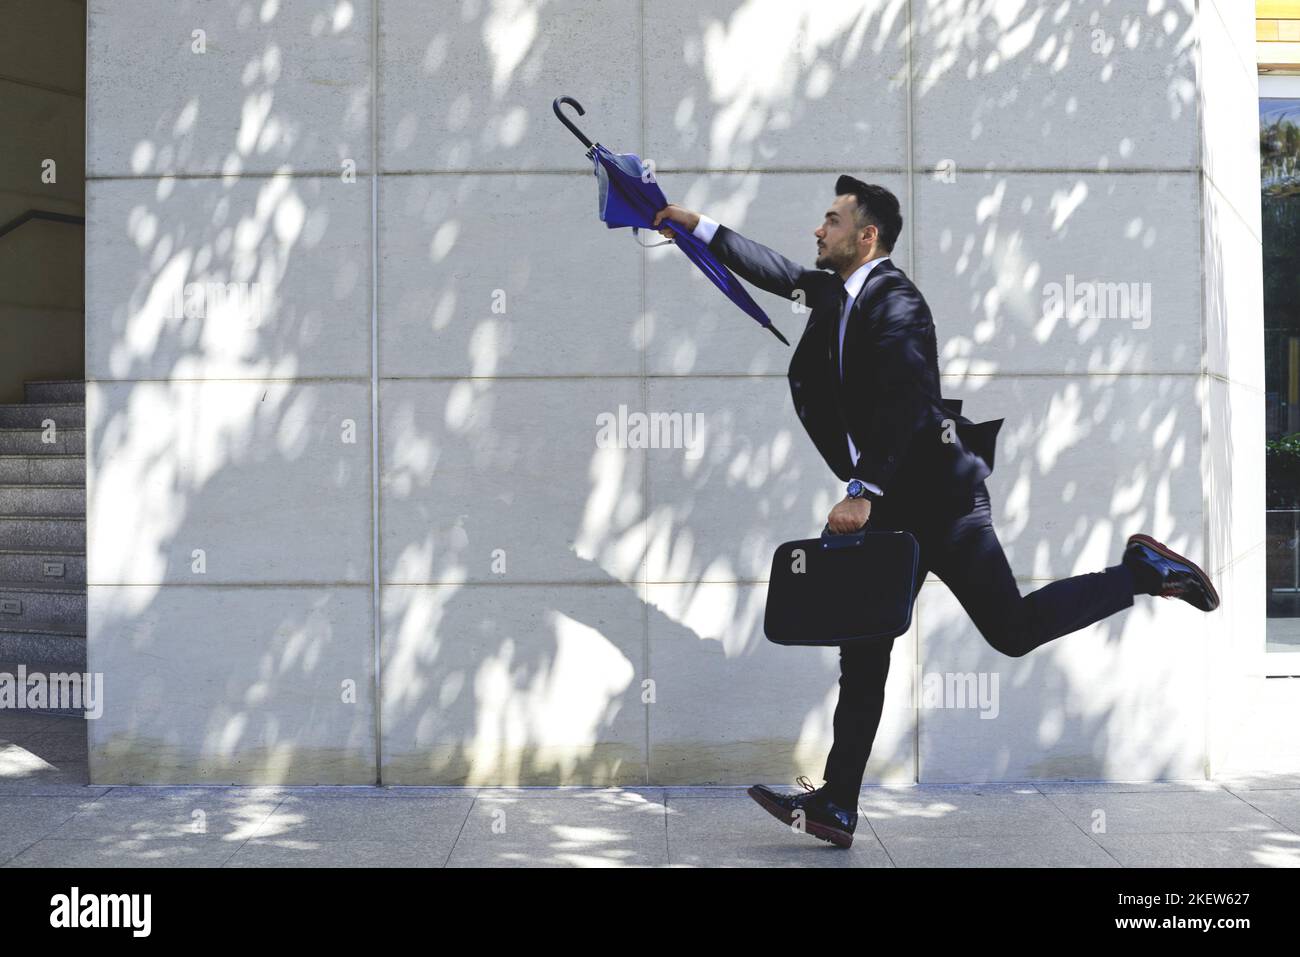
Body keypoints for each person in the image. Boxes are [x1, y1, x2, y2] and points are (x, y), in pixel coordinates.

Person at [651, 178, 1220, 849]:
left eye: (832, 221)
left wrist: (862, 487)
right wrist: (697, 227)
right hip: (893, 503)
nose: (818, 230)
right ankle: (837, 801)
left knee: (1011, 628)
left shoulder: (899, 303)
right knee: (862, 653)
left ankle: (1141, 571)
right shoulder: (833, 293)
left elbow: (911, 405)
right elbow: (777, 273)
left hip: (939, 499)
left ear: (867, 236)